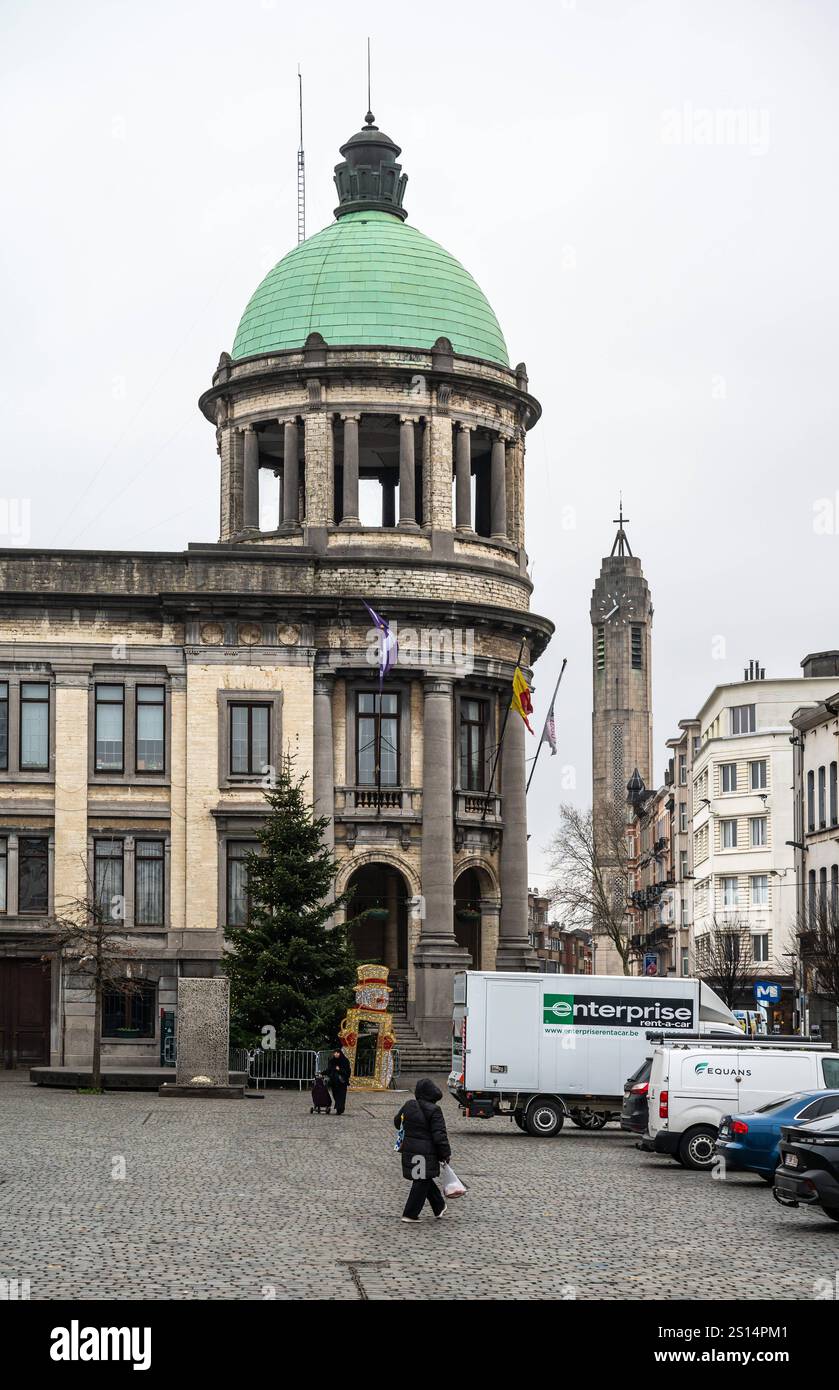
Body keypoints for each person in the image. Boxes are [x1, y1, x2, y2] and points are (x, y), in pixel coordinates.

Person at [393, 1078, 451, 1222]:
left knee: (423, 1178)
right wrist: (445, 1154)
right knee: (421, 1181)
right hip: (426, 1152)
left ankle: (439, 1206)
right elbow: (440, 1135)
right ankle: (410, 1214)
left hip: (410, 1149)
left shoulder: (409, 1105)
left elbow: (396, 1122)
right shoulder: (435, 1110)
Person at [326, 1046, 351, 1114]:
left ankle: (339, 1109)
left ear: (340, 1053)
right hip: (334, 1081)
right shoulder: (332, 1061)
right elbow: (329, 1070)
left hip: (342, 1082)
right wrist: (322, 1073)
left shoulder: (345, 1061)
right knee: (335, 1095)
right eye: (335, 1053)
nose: (336, 1054)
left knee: (341, 1096)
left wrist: (339, 1069)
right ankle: (339, 1108)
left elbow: (347, 1072)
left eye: (338, 1053)